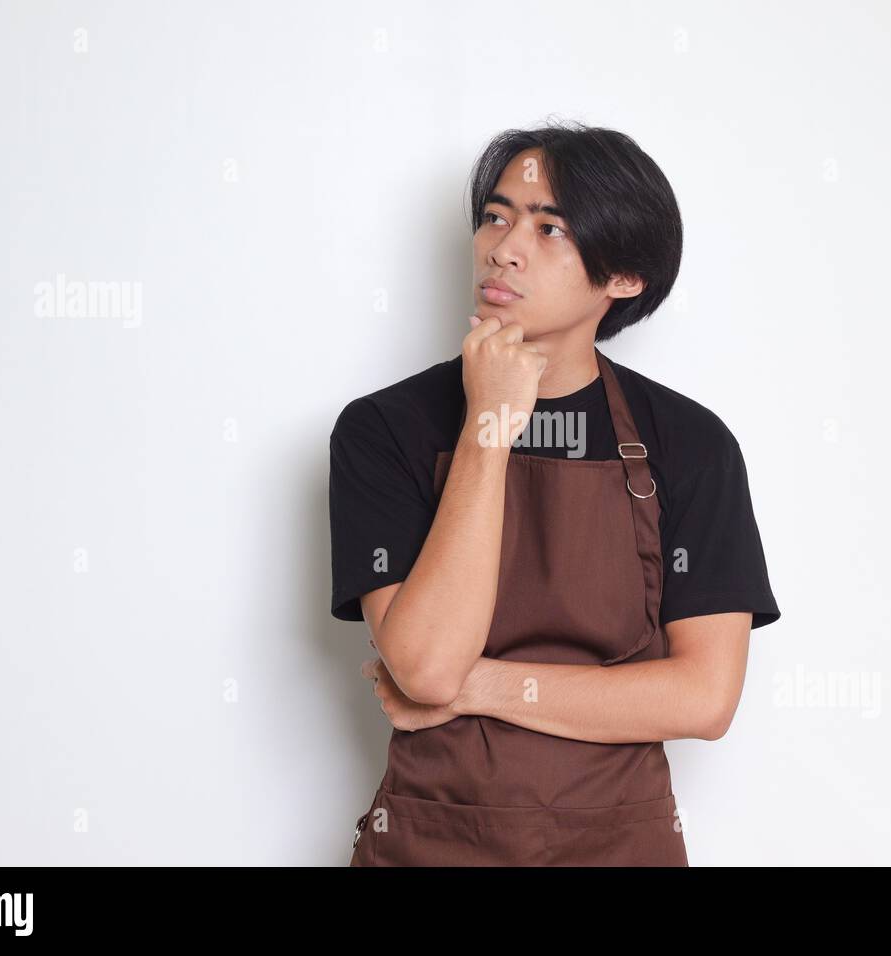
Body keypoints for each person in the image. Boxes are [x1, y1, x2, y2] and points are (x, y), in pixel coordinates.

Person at [329, 120, 781, 866]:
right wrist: (488, 426)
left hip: (622, 847)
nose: (503, 246)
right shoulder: (385, 430)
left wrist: (477, 690)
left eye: (550, 228)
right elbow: (428, 663)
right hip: (432, 843)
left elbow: (703, 698)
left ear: (624, 277)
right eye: (496, 216)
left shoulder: (692, 446)